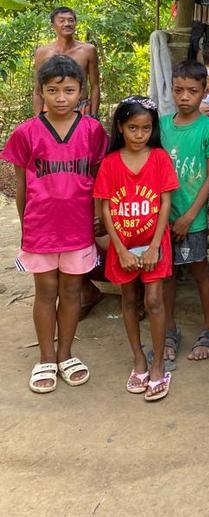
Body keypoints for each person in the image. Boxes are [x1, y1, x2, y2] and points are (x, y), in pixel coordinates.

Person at [1, 56, 107, 393]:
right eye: (53, 90)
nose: (61, 97)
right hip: (41, 228)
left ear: (82, 93)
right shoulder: (26, 133)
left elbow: (99, 180)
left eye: (69, 90)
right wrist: (25, 226)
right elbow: (21, 187)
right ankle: (46, 358)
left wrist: (98, 220)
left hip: (78, 228)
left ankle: (66, 354)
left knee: (72, 291)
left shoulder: (92, 131)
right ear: (41, 92)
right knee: (46, 292)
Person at [94, 96, 179, 401]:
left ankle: (157, 364)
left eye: (145, 128)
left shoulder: (159, 159)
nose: (139, 134)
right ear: (120, 127)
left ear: (153, 129)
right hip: (124, 246)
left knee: (154, 300)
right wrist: (120, 250)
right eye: (133, 128)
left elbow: (166, 202)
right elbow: (105, 209)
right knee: (129, 299)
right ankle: (138, 358)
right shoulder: (110, 163)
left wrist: (155, 246)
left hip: (154, 244)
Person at [160, 60, 209, 367]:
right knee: (167, 274)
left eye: (192, 91)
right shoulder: (161, 126)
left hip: (193, 217)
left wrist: (190, 216)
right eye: (179, 90)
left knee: (199, 269)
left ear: (204, 93)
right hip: (162, 216)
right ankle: (169, 329)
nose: (185, 96)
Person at [32, 7, 100, 117]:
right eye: (62, 20)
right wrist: (38, 118)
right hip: (51, 109)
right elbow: (37, 90)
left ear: (75, 24)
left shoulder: (88, 50)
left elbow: (95, 86)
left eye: (71, 20)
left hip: (81, 109)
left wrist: (94, 116)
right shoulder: (43, 53)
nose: (67, 23)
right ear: (53, 26)